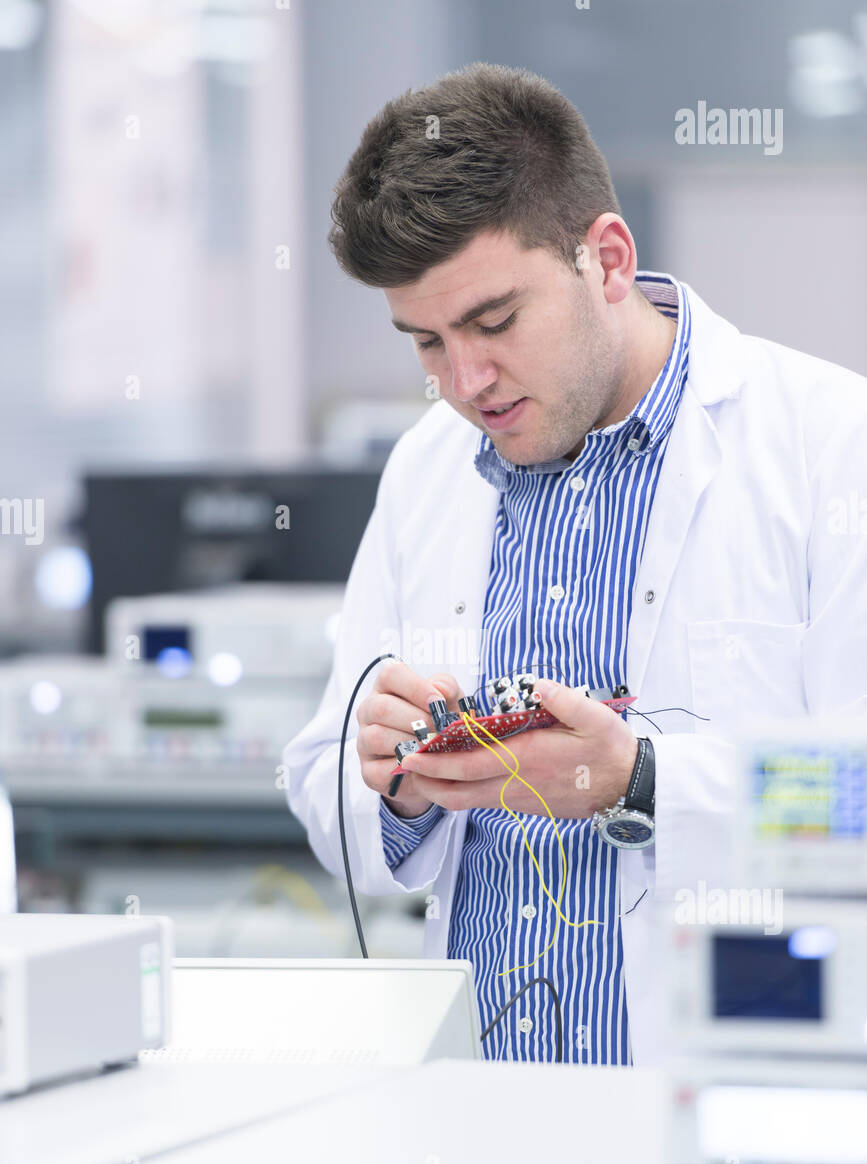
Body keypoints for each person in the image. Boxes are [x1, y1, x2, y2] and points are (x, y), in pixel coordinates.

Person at [285, 63, 867, 1065]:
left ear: (605, 258)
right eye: (424, 342)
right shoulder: (427, 469)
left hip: (712, 1110)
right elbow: (323, 786)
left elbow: (854, 793)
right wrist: (391, 782)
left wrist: (638, 779)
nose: (463, 381)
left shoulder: (827, 445)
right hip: (479, 1108)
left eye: (495, 322)